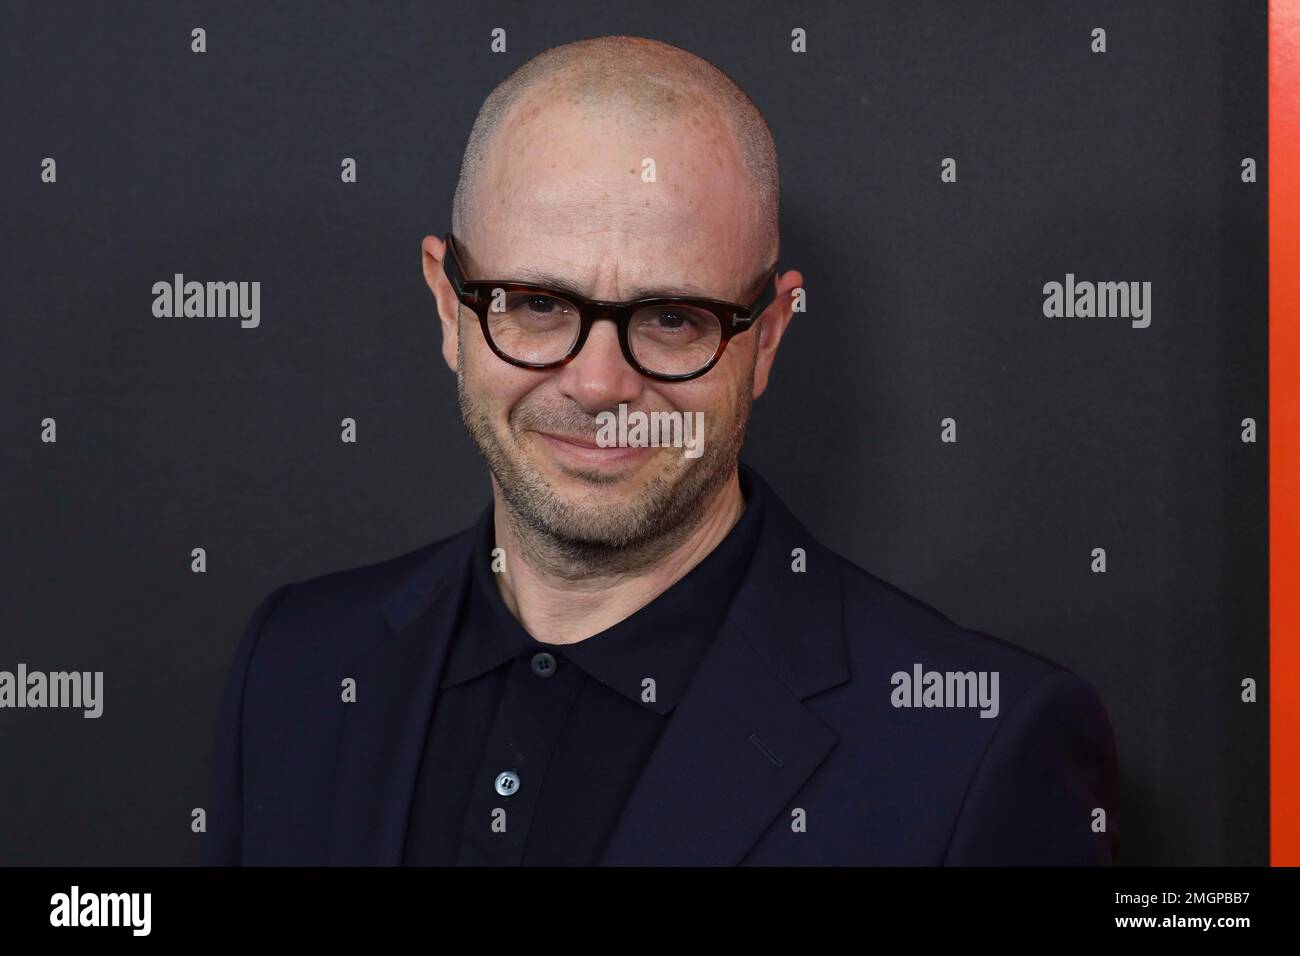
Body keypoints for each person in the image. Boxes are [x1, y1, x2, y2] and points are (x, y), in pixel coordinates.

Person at [201, 35, 1118, 866]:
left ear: (767, 338)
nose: (599, 385)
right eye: (538, 305)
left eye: (674, 318)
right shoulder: (296, 664)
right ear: (450, 309)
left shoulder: (974, 750)